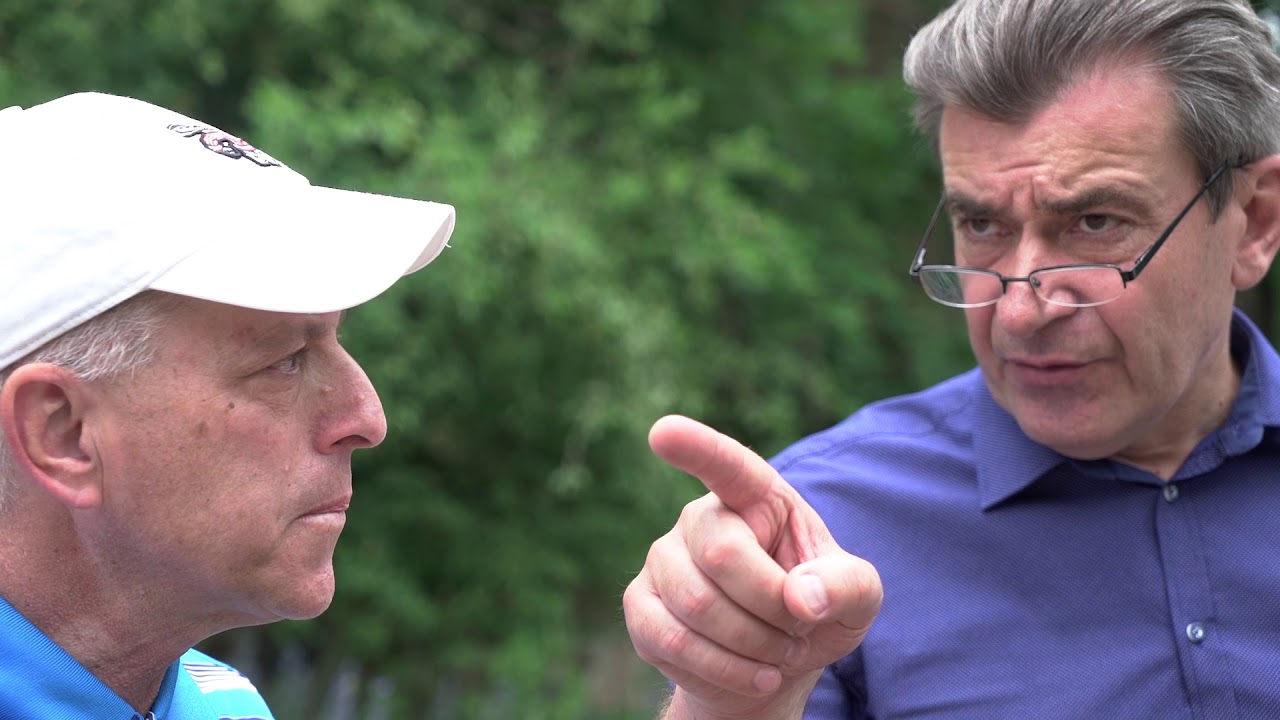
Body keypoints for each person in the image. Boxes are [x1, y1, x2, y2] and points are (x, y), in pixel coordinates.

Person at [623, 0, 1280, 717]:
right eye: (981, 224)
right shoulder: (823, 530)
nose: (1021, 311)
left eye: (1095, 222)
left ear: (1255, 221)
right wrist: (732, 699)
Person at [0, 91, 455, 719]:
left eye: (332, 340)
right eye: (284, 360)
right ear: (64, 433)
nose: (366, 418)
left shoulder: (224, 706)